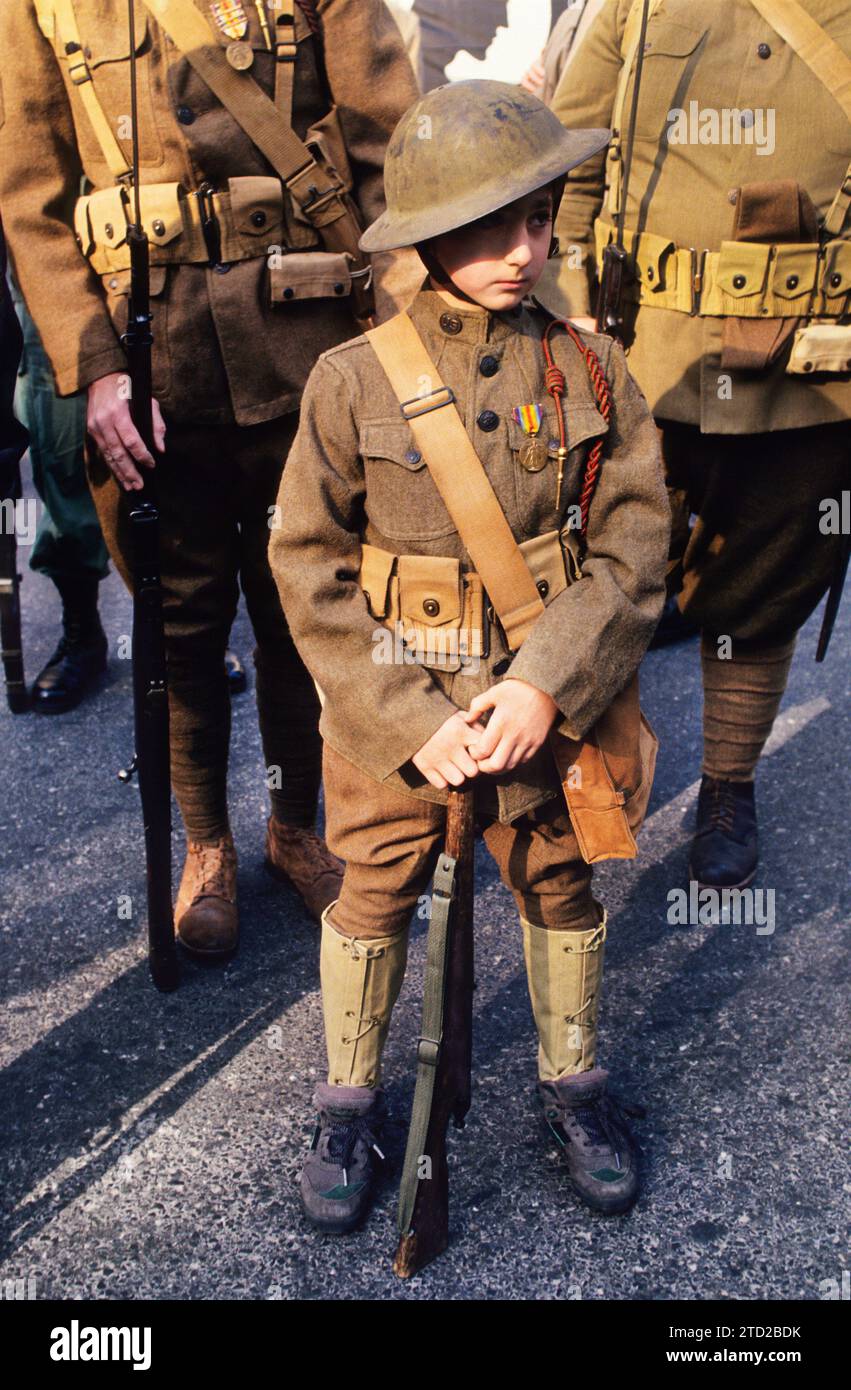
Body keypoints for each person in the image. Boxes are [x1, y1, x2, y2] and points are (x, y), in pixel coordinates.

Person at [269, 80, 670, 1233]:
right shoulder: (351, 378)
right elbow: (306, 563)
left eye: (536, 219)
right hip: (396, 711)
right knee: (371, 891)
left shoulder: (591, 369)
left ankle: (573, 1083)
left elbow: (635, 545)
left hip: (545, 701)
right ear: (426, 234)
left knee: (558, 880)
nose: (522, 249)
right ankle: (347, 1100)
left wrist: (547, 684)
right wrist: (406, 718)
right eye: (490, 227)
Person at [0, 0, 420, 955]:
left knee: (303, 617)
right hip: (149, 365)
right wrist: (95, 365)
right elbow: (31, 198)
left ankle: (295, 828)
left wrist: (398, 342)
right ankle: (206, 847)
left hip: (307, 351)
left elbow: (389, 150)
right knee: (176, 627)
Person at [543, 0, 851, 889]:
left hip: (810, 371)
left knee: (760, 586)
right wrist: (565, 309)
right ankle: (591, 776)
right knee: (605, 573)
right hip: (647, 355)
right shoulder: (633, 3)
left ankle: (727, 785)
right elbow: (571, 159)